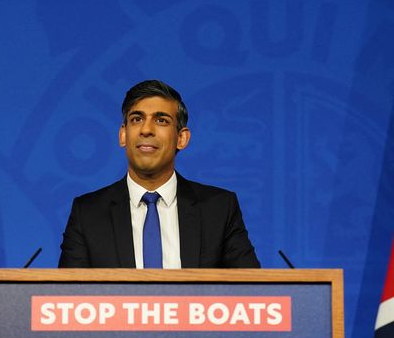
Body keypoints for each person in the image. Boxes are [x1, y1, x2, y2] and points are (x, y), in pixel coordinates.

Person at [58, 80, 260, 268]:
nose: (146, 130)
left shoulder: (218, 208)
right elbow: (67, 298)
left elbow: (253, 293)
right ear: (123, 135)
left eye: (161, 120)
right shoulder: (88, 213)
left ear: (182, 138)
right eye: (136, 119)